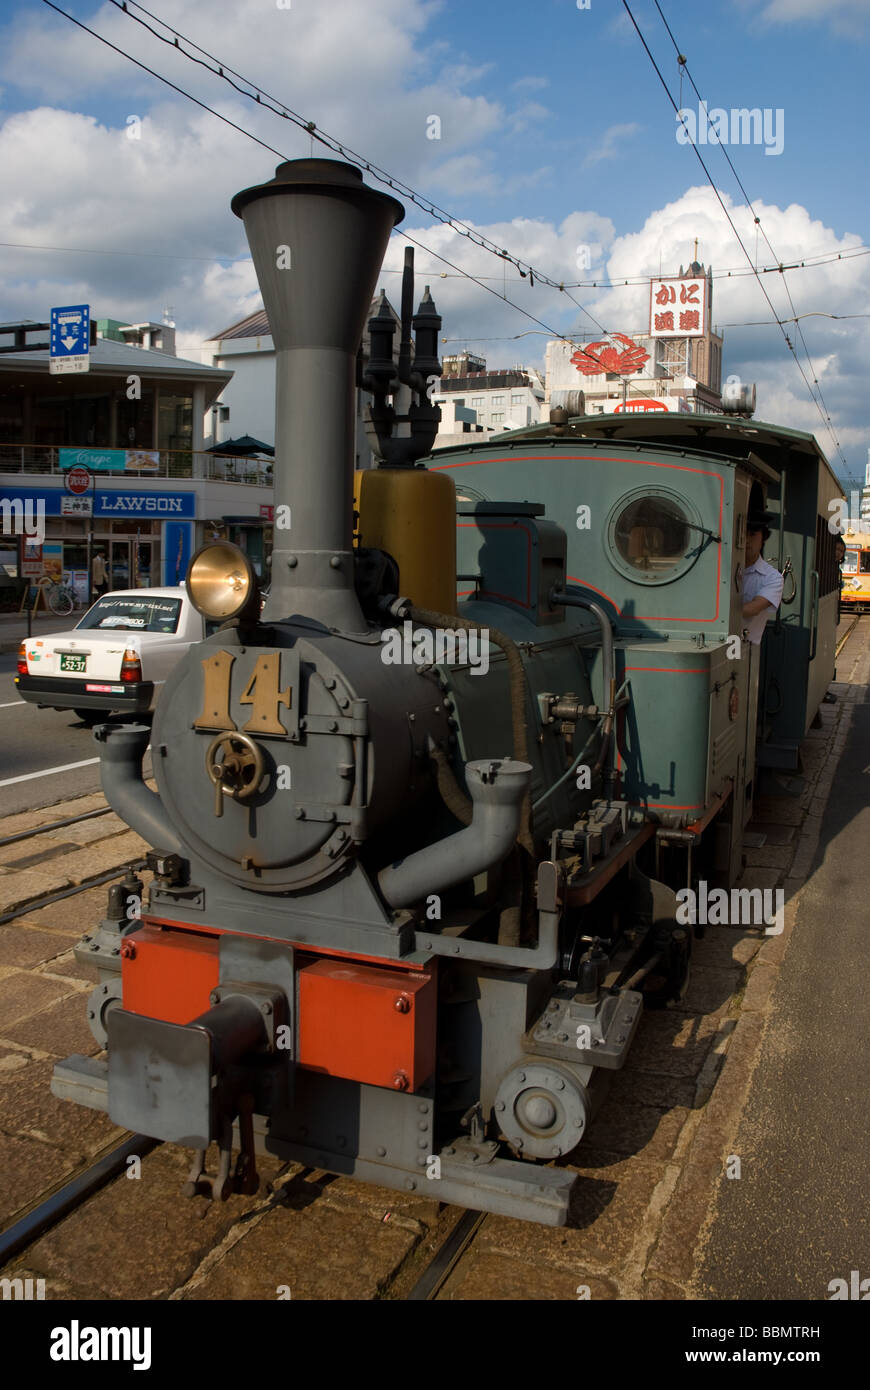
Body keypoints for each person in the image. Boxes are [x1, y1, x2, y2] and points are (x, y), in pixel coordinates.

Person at [742, 512, 784, 644]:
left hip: (744, 647)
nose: (747, 540)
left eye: (752, 534)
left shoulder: (772, 578)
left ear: (763, 539)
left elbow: (752, 609)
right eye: (743, 533)